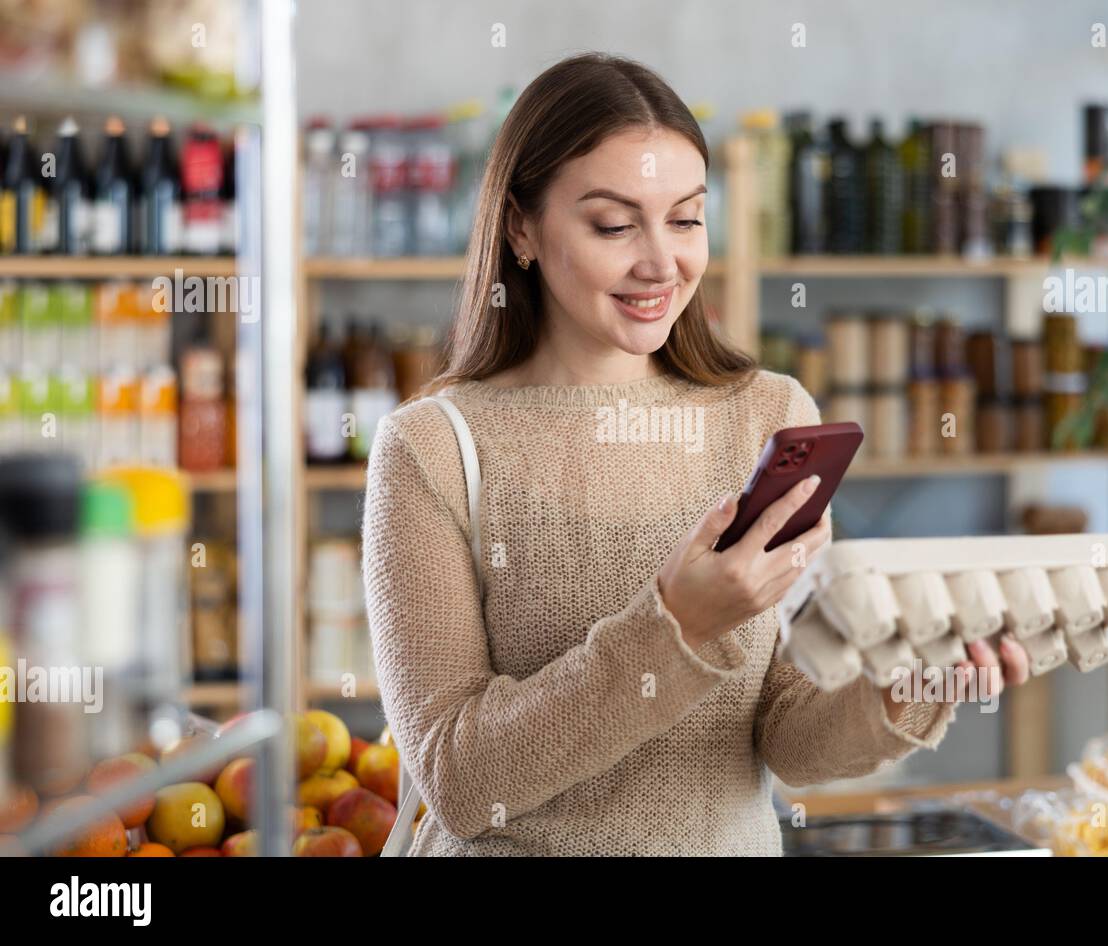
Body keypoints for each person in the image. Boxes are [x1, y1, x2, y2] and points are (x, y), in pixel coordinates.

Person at [361, 52, 1029, 856]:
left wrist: (912, 686)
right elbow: (459, 781)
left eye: (685, 219)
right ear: (520, 227)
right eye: (613, 224)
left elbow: (790, 736)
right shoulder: (434, 448)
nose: (660, 262)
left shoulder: (767, 417)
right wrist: (676, 627)